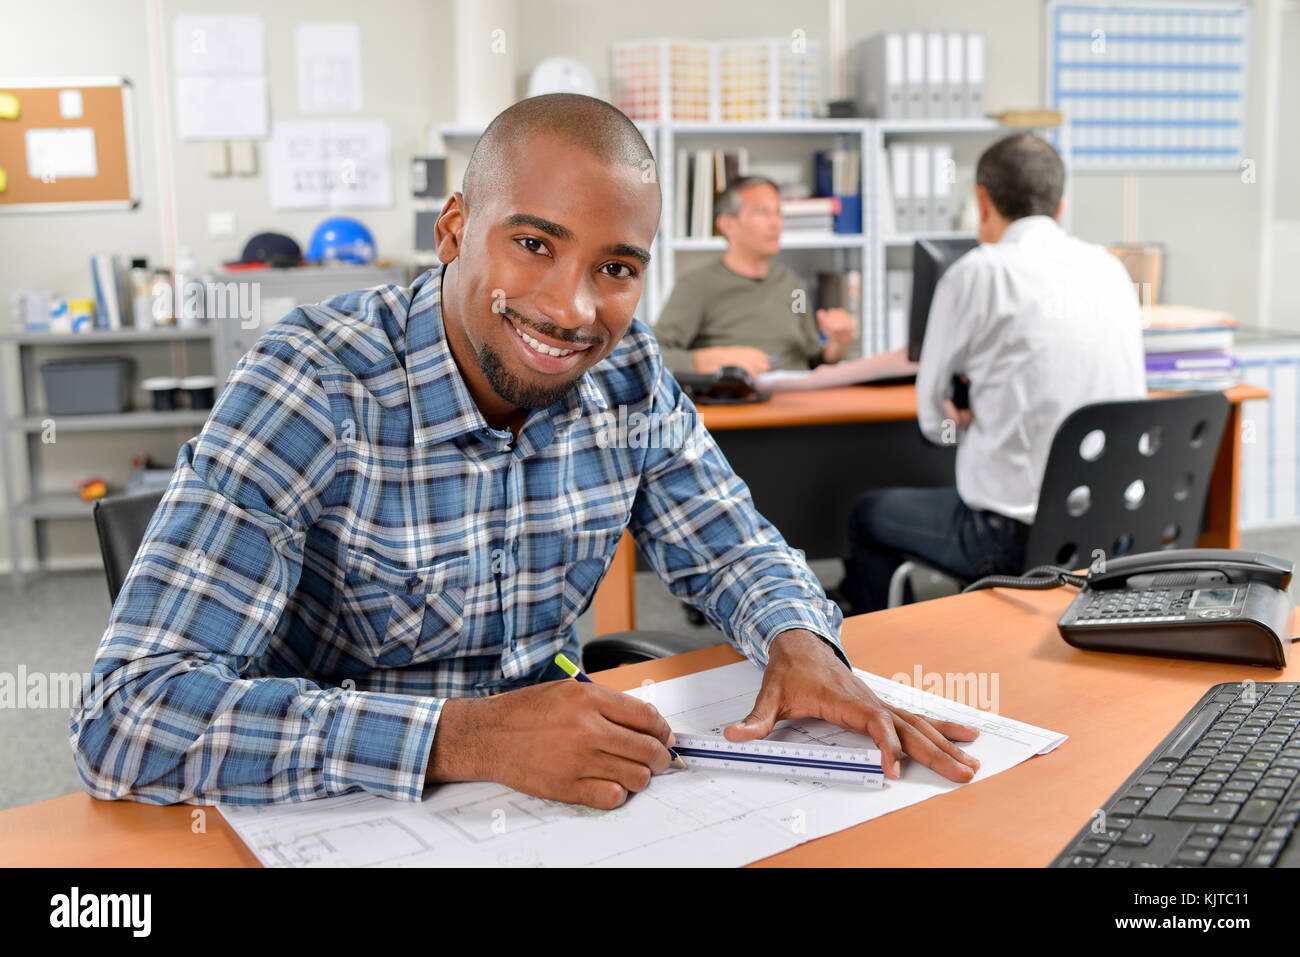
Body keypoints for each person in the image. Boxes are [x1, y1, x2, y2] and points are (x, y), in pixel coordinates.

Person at [71, 94, 979, 810]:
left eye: (615, 268)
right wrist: (466, 738)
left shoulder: (627, 377)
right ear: (456, 229)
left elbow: (732, 544)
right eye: (535, 243)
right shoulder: (312, 385)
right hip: (343, 813)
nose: (572, 307)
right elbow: (128, 715)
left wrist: (801, 642)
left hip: (563, 812)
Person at [840, 133, 1146, 614]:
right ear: (1060, 205)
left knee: (866, 514)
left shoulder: (976, 272)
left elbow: (930, 424)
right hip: (1119, 530)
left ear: (982, 201)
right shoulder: (1110, 268)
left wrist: (956, 417)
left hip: (1011, 539)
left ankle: (867, 667)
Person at [652, 176, 857, 378]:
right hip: (742, 403)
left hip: (802, 400)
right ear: (727, 225)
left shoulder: (792, 284)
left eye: (778, 212)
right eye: (761, 212)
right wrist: (708, 360)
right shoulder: (696, 285)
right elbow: (653, 356)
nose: (776, 223)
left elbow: (813, 358)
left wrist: (837, 344)